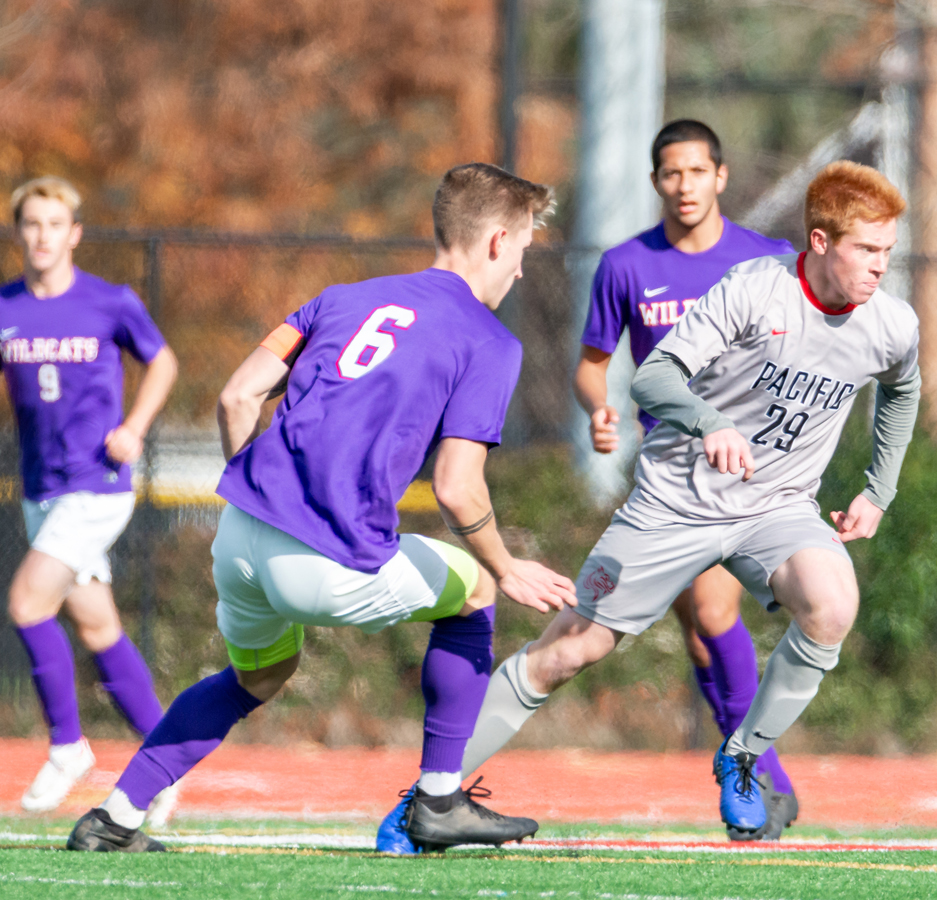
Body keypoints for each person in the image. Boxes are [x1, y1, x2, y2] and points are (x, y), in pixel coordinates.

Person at [66, 163, 577, 853]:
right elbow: (458, 487)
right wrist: (507, 566)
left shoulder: (340, 298)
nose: (520, 269)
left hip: (240, 536)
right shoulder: (488, 340)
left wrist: (264, 489)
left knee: (257, 676)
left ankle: (114, 818)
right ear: (496, 241)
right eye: (523, 249)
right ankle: (438, 800)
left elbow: (238, 396)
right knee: (477, 589)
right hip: (323, 564)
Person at [455, 160, 920, 841]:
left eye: (889, 250)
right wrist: (711, 424)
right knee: (569, 652)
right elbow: (652, 378)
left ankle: (742, 757)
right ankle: (432, 792)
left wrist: (879, 490)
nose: (882, 265)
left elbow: (902, 391)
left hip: (778, 507)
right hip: (677, 501)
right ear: (821, 242)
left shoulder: (891, 324)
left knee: (832, 605)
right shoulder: (756, 290)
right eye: (868, 249)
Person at [573, 119, 799, 836]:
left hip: (746, 466)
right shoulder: (626, 265)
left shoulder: (768, 260)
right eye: (671, 173)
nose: (684, 185)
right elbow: (592, 364)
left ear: (721, 177)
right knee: (699, 635)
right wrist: (598, 408)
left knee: (712, 611)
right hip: (668, 472)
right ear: (655, 182)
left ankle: (758, 776)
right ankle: (766, 776)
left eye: (697, 171)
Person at [2, 177, 181, 821]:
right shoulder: (6, 306)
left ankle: (68, 747)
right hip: (42, 490)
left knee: (27, 604)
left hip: (97, 486)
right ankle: (166, 761)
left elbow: (163, 361)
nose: (43, 236)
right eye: (32, 223)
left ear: (74, 234)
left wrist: (135, 427)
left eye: (55, 224)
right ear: (18, 232)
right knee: (98, 624)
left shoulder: (109, 301)